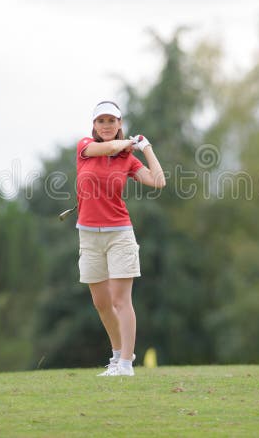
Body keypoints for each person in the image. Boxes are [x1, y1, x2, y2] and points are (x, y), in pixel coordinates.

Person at [75, 100, 165, 376]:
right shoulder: (85, 148)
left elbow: (158, 181)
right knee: (101, 303)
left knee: (120, 300)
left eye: (111, 121)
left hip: (119, 234)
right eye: (101, 121)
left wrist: (146, 148)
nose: (106, 126)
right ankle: (117, 356)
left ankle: (126, 364)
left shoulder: (128, 159)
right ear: (94, 125)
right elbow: (111, 147)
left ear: (119, 123)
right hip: (89, 236)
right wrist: (129, 142)